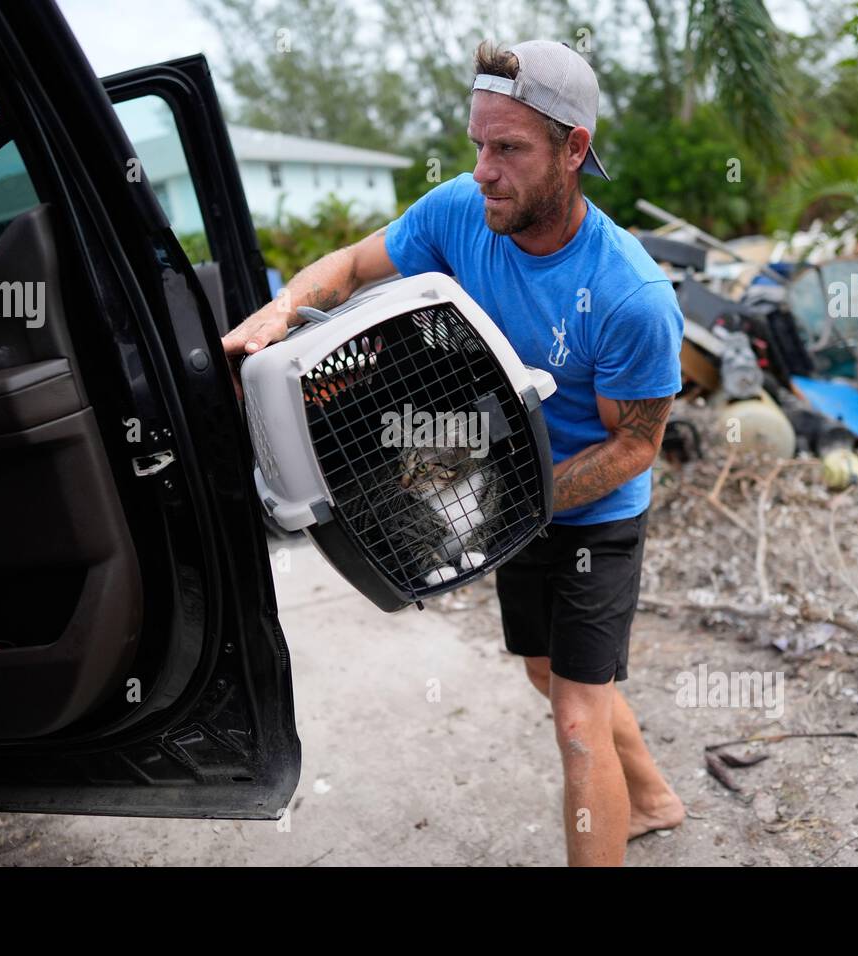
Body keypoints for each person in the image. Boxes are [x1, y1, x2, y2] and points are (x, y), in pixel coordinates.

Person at [222, 38, 686, 866]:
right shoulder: (459, 213)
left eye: (508, 149)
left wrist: (516, 493)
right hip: (515, 492)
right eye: (478, 143)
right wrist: (285, 307)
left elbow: (634, 448)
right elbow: (356, 265)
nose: (483, 170)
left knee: (577, 720)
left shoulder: (632, 295)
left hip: (593, 514)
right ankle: (652, 796)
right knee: (550, 674)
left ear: (574, 149)